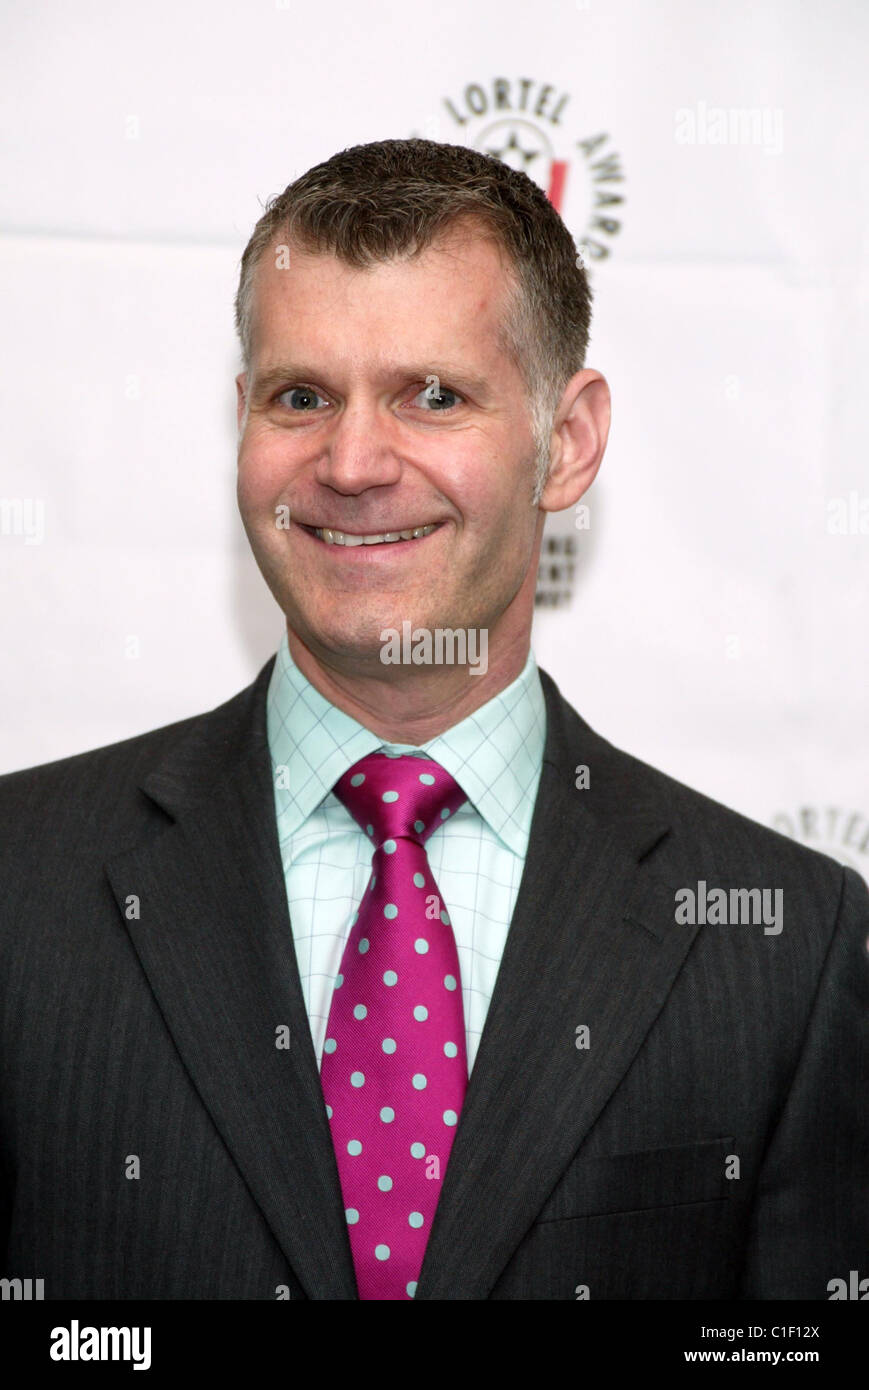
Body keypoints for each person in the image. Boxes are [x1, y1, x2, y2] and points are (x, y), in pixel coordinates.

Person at [0, 139, 866, 1302]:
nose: (351, 463)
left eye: (434, 395)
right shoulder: (20, 880)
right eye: (299, 396)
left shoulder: (789, 947)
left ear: (564, 444)